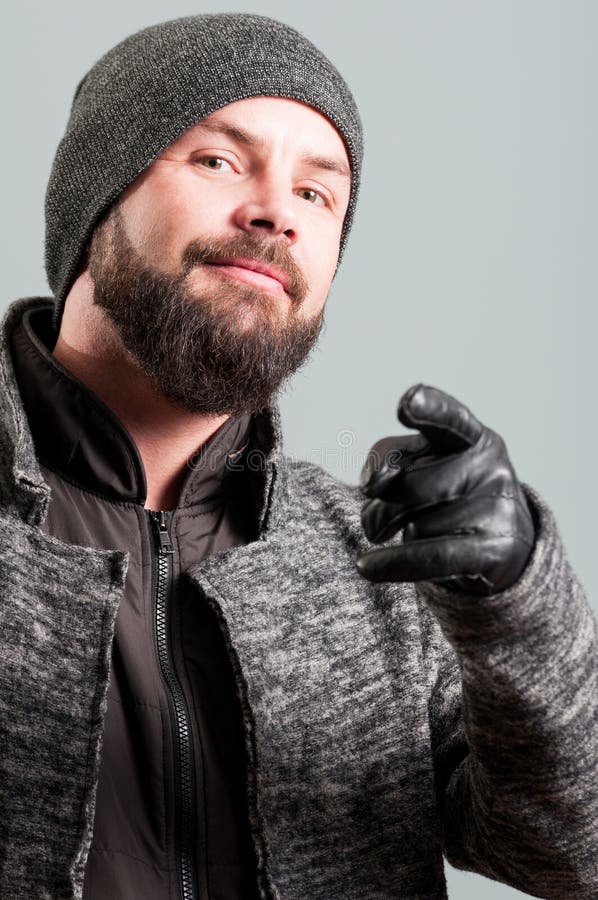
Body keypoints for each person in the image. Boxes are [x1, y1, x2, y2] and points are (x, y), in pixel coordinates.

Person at [0, 12, 596, 900]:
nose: (277, 212)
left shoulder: (381, 562)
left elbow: (573, 853)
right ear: (96, 203)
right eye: (218, 160)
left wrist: (515, 606)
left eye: (318, 194)